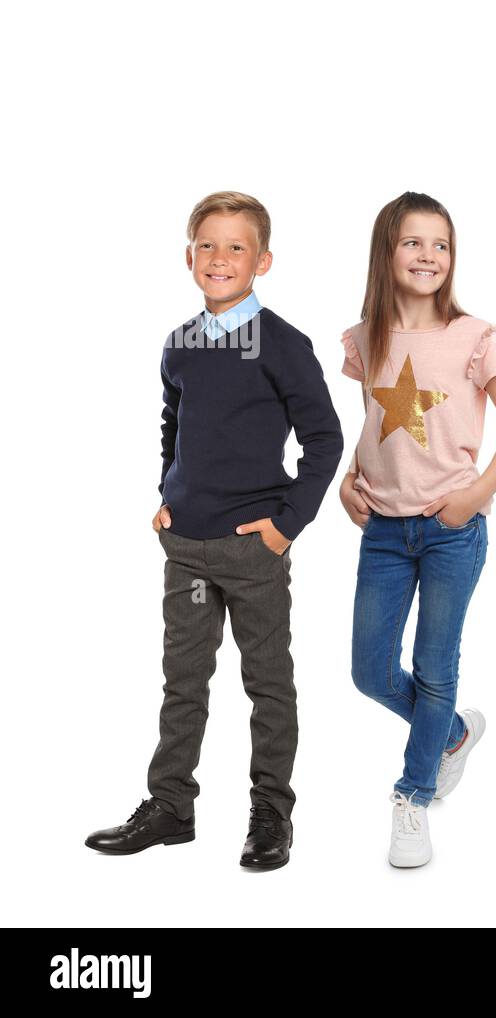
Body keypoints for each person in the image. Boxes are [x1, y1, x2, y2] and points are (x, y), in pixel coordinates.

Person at [85, 191, 344, 870]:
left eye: (236, 247)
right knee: (184, 681)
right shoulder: (180, 344)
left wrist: (287, 526)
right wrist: (167, 494)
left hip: (253, 550)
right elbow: (176, 426)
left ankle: (271, 815)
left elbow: (323, 438)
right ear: (189, 256)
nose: (220, 258)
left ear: (262, 260)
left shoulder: (283, 345)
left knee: (267, 682)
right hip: (189, 550)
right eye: (208, 245)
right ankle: (171, 806)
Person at [339, 191, 496, 868]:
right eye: (413, 243)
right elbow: (372, 421)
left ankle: (413, 797)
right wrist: (347, 479)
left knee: (434, 663)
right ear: (386, 253)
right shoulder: (366, 337)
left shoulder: (477, 336)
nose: (428, 256)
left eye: (440, 244)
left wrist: (476, 495)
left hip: (452, 530)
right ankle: (449, 732)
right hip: (384, 533)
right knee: (368, 670)